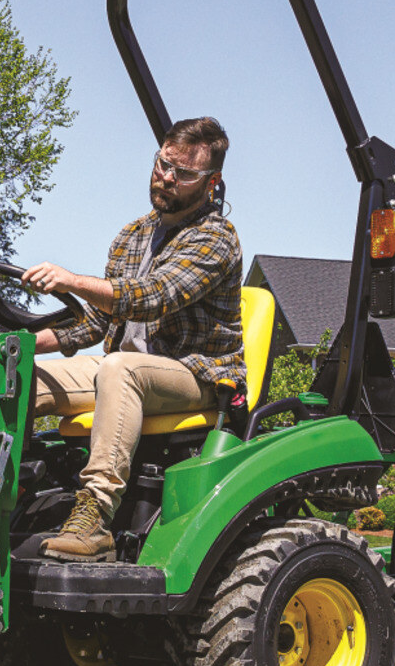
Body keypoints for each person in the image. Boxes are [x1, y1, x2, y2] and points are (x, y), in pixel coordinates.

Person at [22, 115, 246, 561]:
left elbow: (152, 297)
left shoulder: (216, 238)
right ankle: (2, 495)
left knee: (120, 368)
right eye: (163, 163)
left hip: (195, 374)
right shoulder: (132, 235)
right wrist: (23, 341)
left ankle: (94, 516)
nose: (166, 177)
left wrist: (71, 280)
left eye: (183, 173)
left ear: (211, 182)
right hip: (122, 369)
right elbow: (98, 324)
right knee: (17, 378)